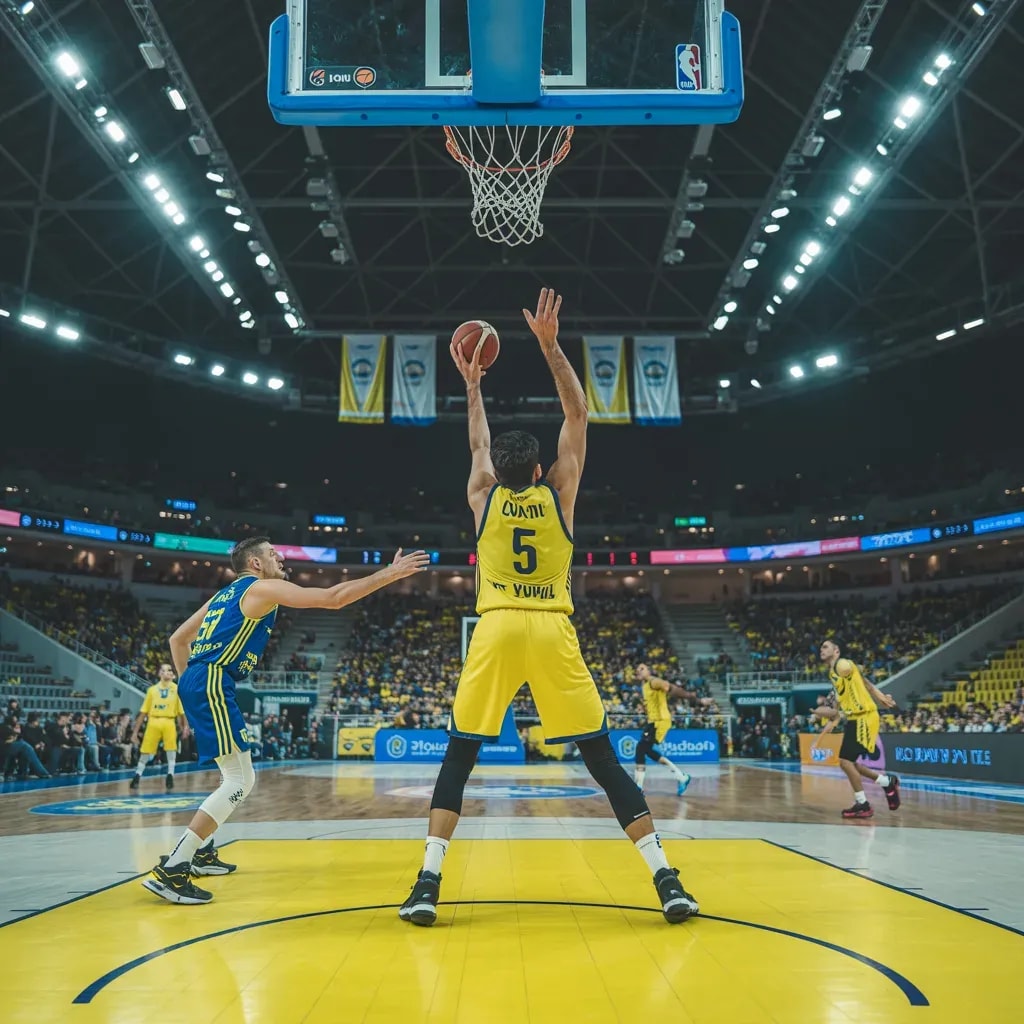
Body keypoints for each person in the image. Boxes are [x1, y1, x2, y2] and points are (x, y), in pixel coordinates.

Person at [399, 289, 699, 928]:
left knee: (460, 755)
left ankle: (427, 884)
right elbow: (579, 413)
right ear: (539, 467)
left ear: (498, 472)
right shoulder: (560, 492)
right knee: (601, 758)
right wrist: (548, 345)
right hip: (552, 628)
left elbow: (475, 443)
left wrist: (473, 385)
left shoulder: (482, 494)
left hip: (497, 627)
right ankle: (666, 879)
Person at [142, 537, 430, 905]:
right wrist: (389, 574)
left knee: (230, 773)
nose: (280, 557)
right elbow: (334, 598)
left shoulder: (224, 596)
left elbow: (178, 639)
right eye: (272, 553)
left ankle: (201, 852)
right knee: (240, 779)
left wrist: (188, 688)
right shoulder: (262, 588)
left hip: (201, 680)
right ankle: (174, 868)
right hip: (212, 680)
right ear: (256, 564)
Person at [817, 640, 902, 819]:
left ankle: (863, 804)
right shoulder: (833, 674)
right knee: (851, 763)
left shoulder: (841, 665)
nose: (821, 649)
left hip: (864, 717)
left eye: (826, 647)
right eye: (821, 647)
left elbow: (853, 671)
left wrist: (879, 696)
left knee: (845, 762)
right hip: (855, 718)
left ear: (836, 651)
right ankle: (887, 782)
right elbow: (863, 684)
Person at [633, 664, 693, 796]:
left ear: (649, 670)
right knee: (648, 751)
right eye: (637, 670)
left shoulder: (653, 681)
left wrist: (675, 690)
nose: (639, 671)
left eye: (642, 668)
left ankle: (638, 788)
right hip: (653, 721)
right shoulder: (644, 687)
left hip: (659, 721)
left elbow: (666, 686)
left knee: (640, 749)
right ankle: (682, 777)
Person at [130, 663, 188, 791]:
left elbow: (182, 712)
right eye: (163, 670)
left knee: (171, 750)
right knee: (146, 750)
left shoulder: (177, 689)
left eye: (168, 670)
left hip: (169, 721)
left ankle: (170, 775)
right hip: (153, 721)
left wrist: (185, 727)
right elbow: (143, 712)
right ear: (159, 673)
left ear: (172, 674)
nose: (165, 672)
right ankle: (137, 775)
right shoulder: (152, 690)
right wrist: (135, 732)